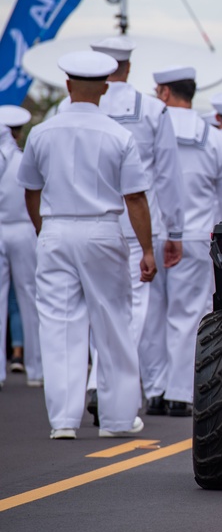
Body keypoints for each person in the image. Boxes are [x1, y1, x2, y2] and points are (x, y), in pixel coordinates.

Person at [17, 51, 153, 439]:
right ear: (105, 89)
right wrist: (146, 249)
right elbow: (136, 198)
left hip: (56, 229)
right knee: (112, 323)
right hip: (103, 231)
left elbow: (30, 190)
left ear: (67, 86)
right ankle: (117, 419)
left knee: (58, 324)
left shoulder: (42, 132)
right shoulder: (119, 134)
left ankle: (63, 420)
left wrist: (45, 229)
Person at [58, 37, 186, 424]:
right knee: (129, 312)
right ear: (128, 68)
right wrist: (175, 230)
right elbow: (167, 175)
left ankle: (94, 383)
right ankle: (107, 387)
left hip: (81, 220)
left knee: (91, 309)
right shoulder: (151, 109)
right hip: (136, 226)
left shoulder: (68, 107)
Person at [146, 65, 222, 417]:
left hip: (148, 232)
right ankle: (179, 393)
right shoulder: (213, 137)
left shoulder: (146, 128)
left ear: (164, 92)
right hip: (194, 235)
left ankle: (154, 388)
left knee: (150, 314)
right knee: (188, 316)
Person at [0, 105, 42, 388]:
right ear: (18, 132)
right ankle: (37, 369)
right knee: (30, 297)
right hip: (23, 229)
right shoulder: (24, 159)